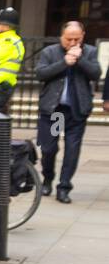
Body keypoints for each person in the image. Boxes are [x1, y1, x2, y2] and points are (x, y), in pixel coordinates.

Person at [34, 21, 101, 204]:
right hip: (56, 112)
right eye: (68, 39)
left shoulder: (89, 52)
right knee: (49, 148)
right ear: (61, 37)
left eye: (76, 39)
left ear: (83, 36)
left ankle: (64, 187)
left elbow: (96, 73)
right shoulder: (51, 52)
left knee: (72, 150)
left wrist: (80, 59)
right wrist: (65, 62)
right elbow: (41, 74)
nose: (72, 42)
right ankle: (47, 178)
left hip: (76, 110)